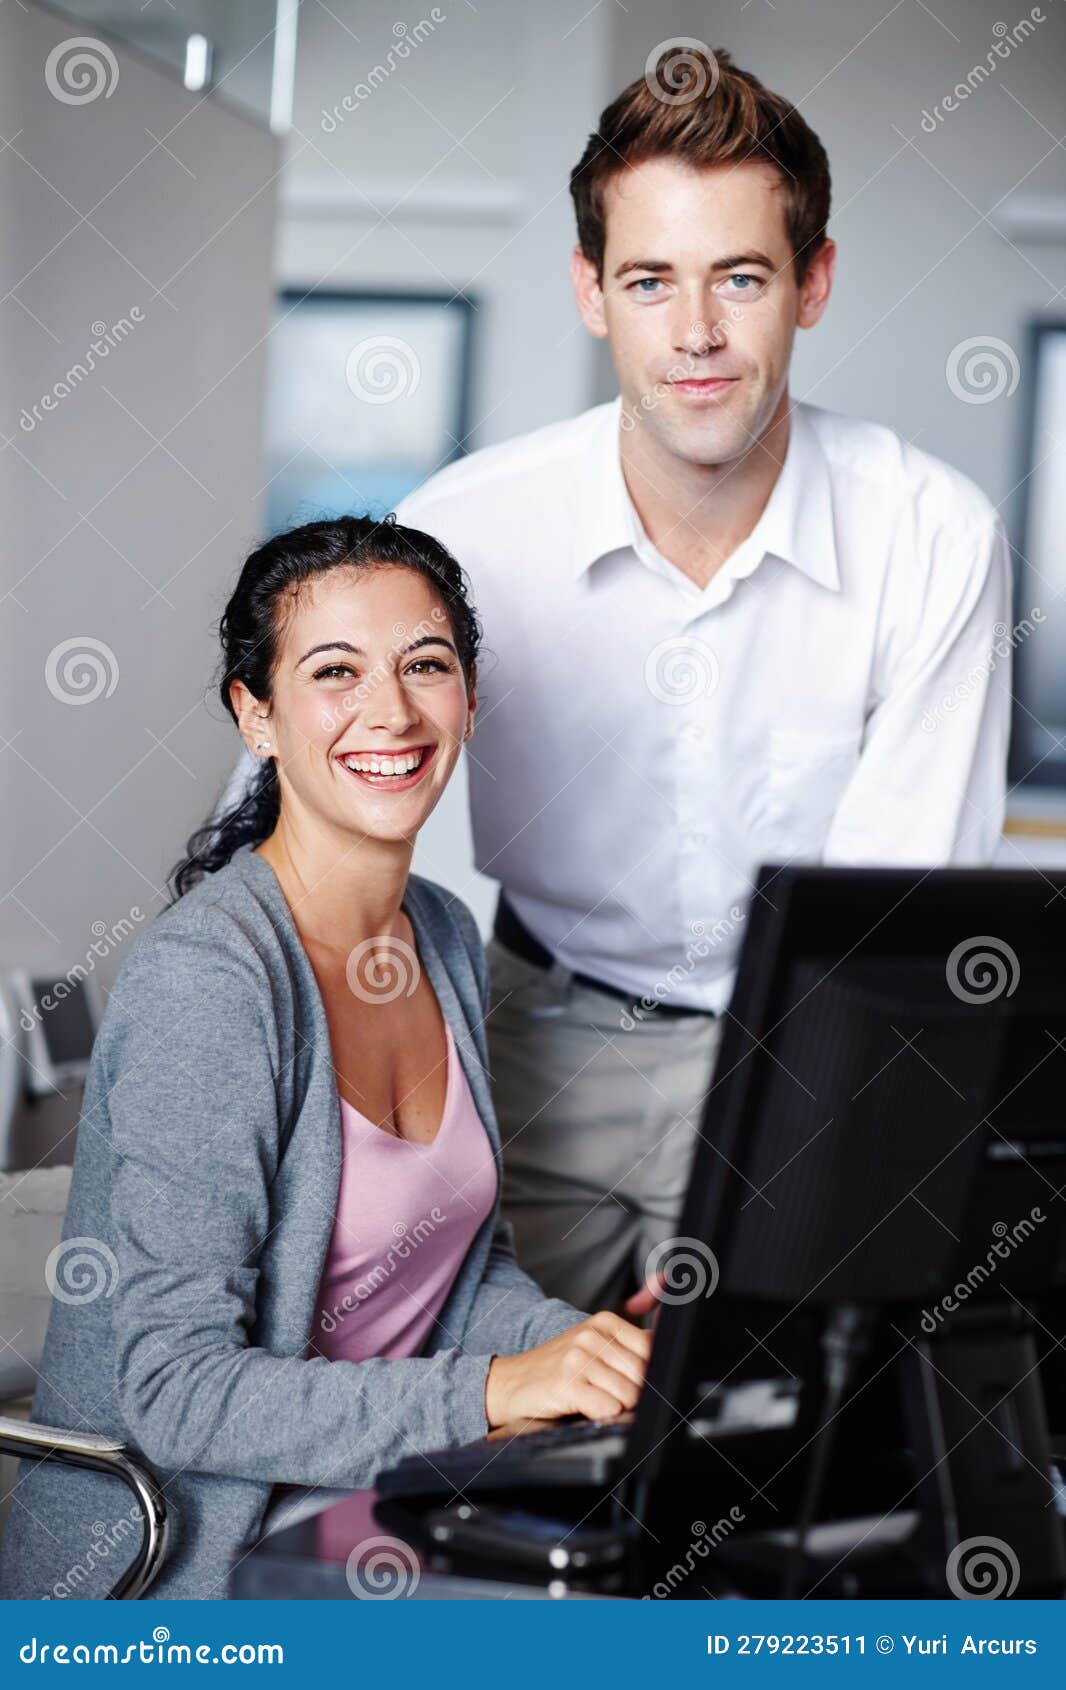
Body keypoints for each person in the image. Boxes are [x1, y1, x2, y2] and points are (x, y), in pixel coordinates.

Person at [230, 47, 1013, 1315]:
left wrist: (783, 1162)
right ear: (591, 292)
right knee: (487, 1429)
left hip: (814, 1039)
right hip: (533, 1032)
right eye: (650, 280)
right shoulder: (466, 533)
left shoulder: (933, 535)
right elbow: (295, 831)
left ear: (811, 284)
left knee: (782, 1444)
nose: (695, 333)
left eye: (740, 278)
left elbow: (895, 916)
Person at [0, 517, 650, 1602]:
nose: (390, 711)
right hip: (196, 1566)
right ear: (256, 715)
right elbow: (177, 1392)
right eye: (334, 671)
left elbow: (454, 1275)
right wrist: (493, 1389)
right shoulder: (211, 980)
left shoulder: (437, 931)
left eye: (426, 666)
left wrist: (582, 1349)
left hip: (377, 1509)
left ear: (470, 699)